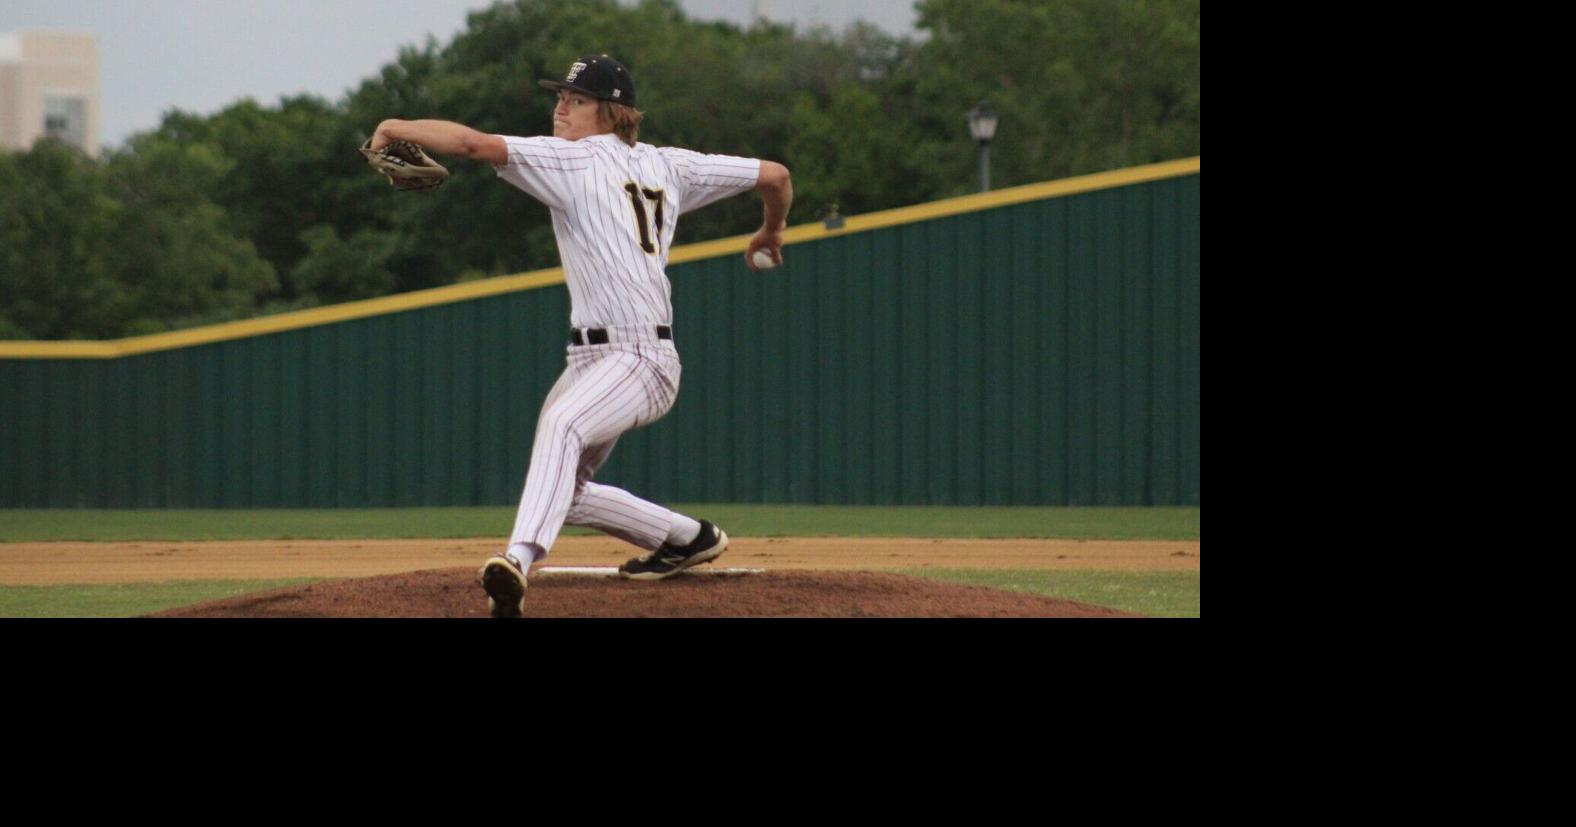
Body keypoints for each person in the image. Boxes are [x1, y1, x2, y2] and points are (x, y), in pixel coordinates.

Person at [368, 54, 793, 618]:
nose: (561, 107)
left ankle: (518, 561)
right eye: (561, 97)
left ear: (614, 112)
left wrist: (396, 126)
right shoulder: (671, 166)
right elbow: (777, 176)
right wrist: (771, 228)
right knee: (560, 488)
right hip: (595, 358)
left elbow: (471, 145)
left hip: (640, 357)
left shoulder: (572, 161)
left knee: (562, 425)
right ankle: (687, 538)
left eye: (577, 100)